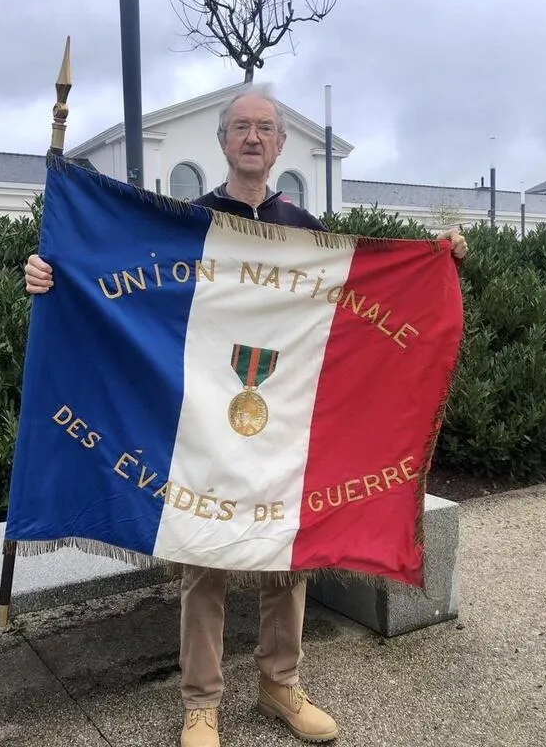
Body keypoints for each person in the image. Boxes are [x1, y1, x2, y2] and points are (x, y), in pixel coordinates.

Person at [23, 83, 468, 747]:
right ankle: (201, 703)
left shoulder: (307, 231)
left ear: (281, 144)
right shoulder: (187, 221)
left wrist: (435, 263)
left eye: (265, 128)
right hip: (207, 425)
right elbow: (119, 284)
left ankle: (279, 687)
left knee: (288, 558)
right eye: (241, 127)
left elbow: (358, 313)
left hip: (282, 425)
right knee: (204, 556)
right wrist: (51, 273)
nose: (253, 137)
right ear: (224, 141)